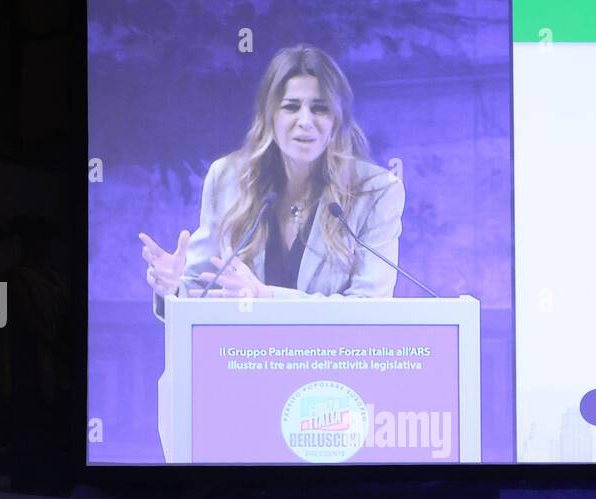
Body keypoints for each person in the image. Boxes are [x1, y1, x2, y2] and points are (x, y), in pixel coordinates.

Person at [139, 44, 405, 306]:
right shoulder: (227, 178)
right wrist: (173, 288)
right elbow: (202, 289)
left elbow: (370, 307)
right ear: (269, 116)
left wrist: (266, 297)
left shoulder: (376, 191)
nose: (305, 121)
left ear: (336, 119)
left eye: (320, 108)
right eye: (291, 107)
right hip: (242, 350)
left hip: (333, 351)